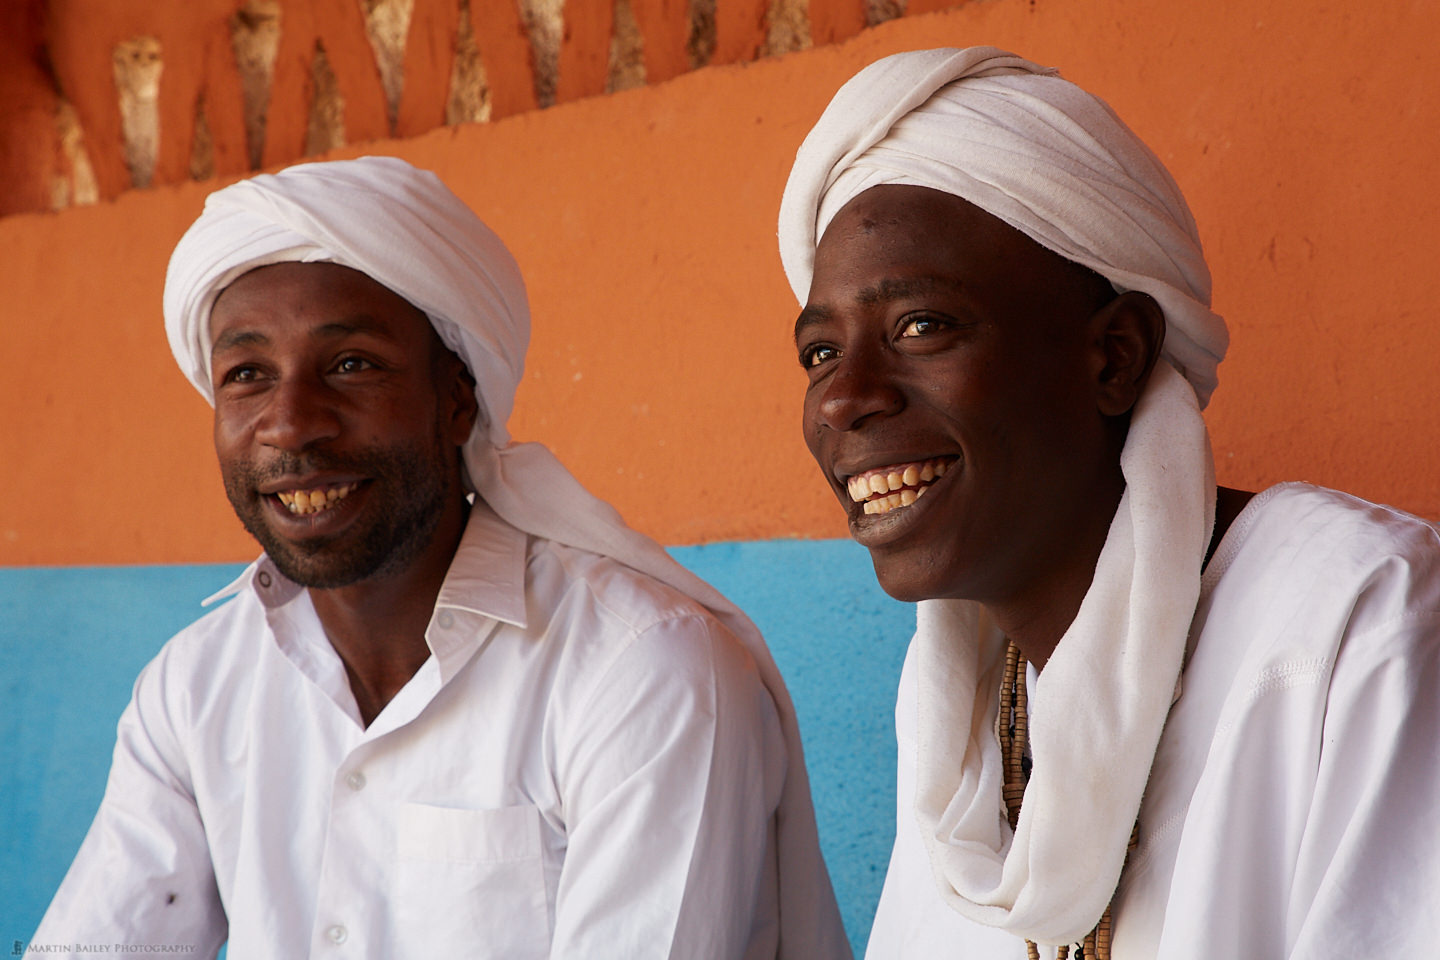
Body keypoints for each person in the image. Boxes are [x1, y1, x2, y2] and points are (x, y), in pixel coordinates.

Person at [34, 157, 850, 959]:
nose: (289, 423)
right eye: (246, 375)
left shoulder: (643, 672)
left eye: (350, 365)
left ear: (457, 400)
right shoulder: (192, 691)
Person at [777, 46, 1440, 959]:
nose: (844, 397)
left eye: (921, 325)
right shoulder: (964, 706)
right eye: (819, 353)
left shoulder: (1354, 625)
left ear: (1114, 355)